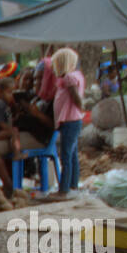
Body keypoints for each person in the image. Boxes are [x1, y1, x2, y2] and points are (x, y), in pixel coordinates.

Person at [0, 76, 54, 196]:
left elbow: (53, 125)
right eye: (33, 79)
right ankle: (6, 183)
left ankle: (9, 185)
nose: (34, 82)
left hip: (36, 137)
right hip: (18, 133)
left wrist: (35, 113)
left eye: (41, 78)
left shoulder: (51, 99)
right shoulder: (27, 98)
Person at [50, 47, 85, 198]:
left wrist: (81, 107)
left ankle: (64, 190)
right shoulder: (75, 75)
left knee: (66, 156)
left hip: (70, 120)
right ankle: (73, 186)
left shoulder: (69, 78)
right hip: (73, 120)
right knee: (72, 156)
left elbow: (76, 97)